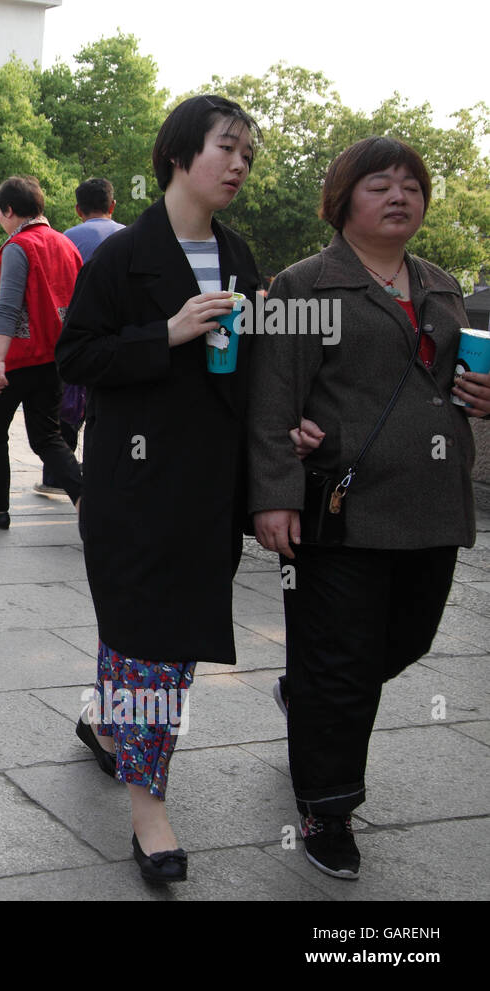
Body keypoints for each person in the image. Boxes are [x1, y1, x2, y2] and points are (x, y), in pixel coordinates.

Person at [57, 95, 322, 884]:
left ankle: (109, 729)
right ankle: (150, 814)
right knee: (154, 650)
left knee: (152, 642)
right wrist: (162, 334)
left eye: (248, 152)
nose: (240, 165)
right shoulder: (122, 255)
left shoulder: (239, 255)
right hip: (132, 489)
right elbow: (76, 357)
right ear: (179, 155)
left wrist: (291, 427)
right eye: (226, 149)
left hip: (207, 489)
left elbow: (249, 370)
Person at [249, 137, 490, 881]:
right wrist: (275, 496)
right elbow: (272, 398)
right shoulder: (302, 286)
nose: (399, 195)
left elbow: (456, 384)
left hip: (430, 506)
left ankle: (309, 691)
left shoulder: (443, 287)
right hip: (341, 507)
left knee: (406, 641)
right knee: (345, 663)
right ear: (343, 199)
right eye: (379, 184)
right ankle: (329, 803)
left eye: (412, 185)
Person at [0, 176, 84, 528]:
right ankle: (83, 494)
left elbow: (8, 305)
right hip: (54, 360)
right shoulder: (66, 246)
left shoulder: (19, 246)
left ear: (10, 211)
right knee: (47, 438)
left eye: (0, 213)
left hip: (16, 359)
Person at [56, 179, 127, 459]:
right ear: (113, 205)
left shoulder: (66, 239)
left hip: (78, 335)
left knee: (68, 409)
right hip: (119, 339)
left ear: (77, 209)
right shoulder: (131, 237)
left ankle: (60, 474)